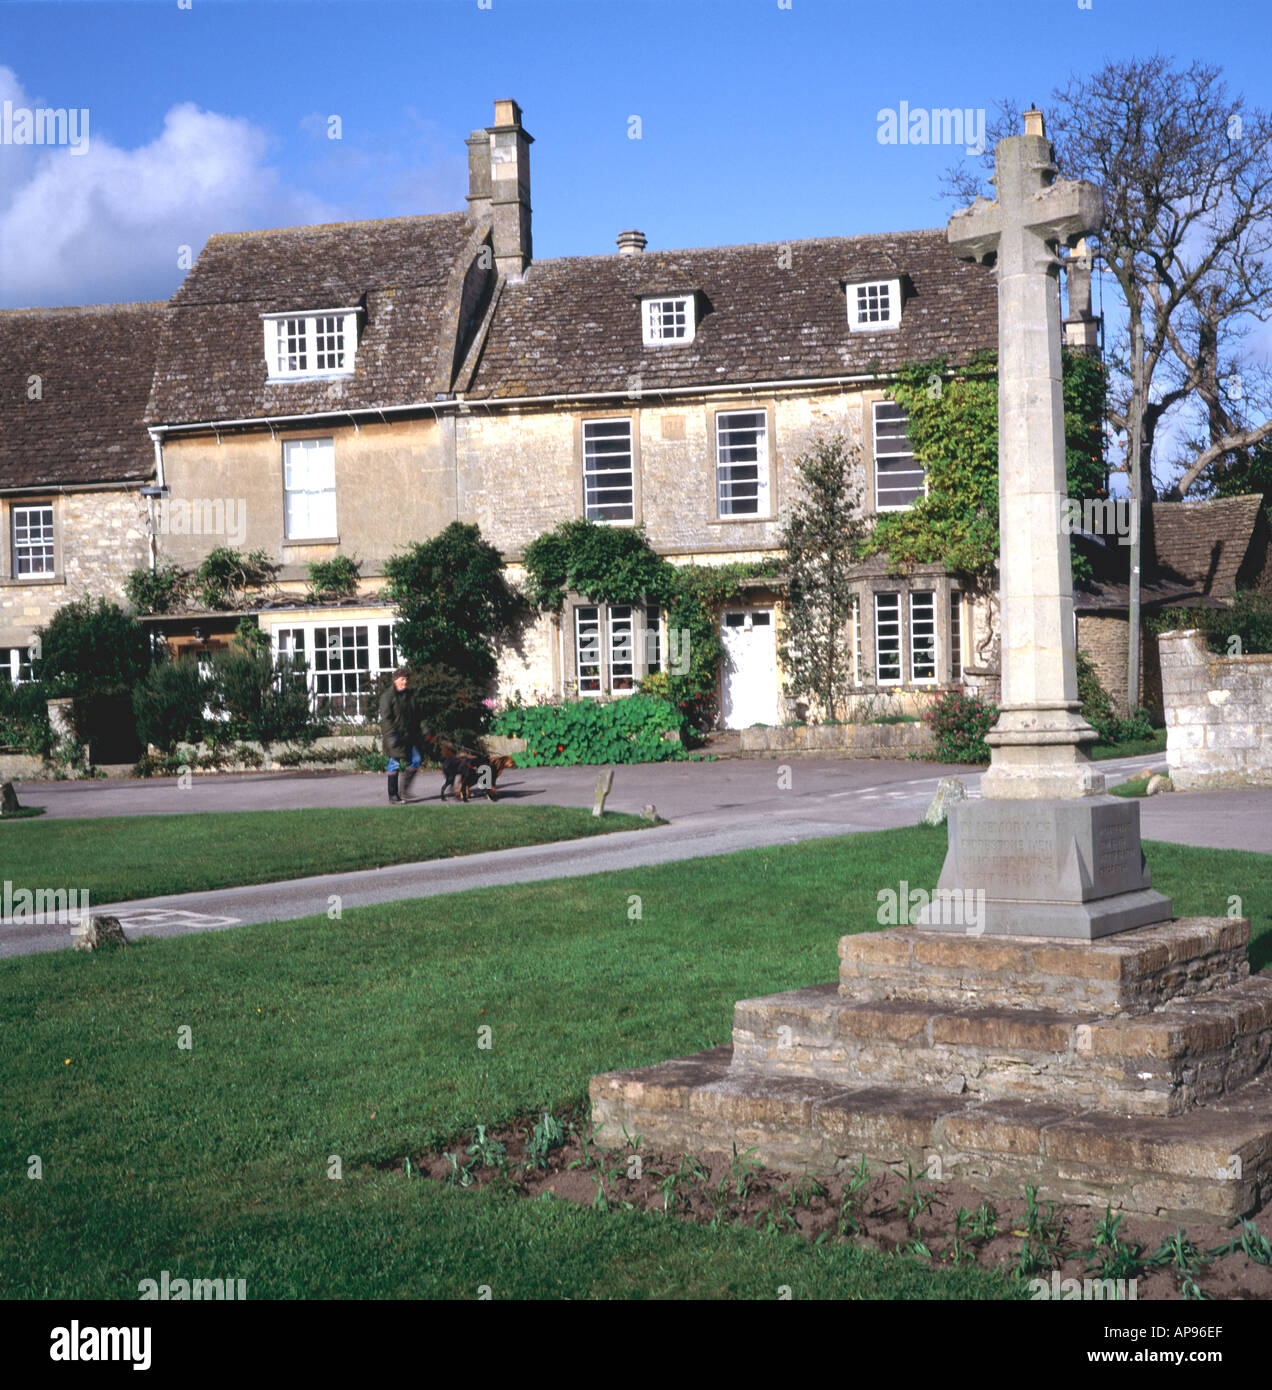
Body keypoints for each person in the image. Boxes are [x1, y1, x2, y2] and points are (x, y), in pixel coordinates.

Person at [379, 667, 424, 803]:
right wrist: (391, 735)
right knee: (394, 764)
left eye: (406, 679)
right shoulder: (387, 697)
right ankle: (393, 796)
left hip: (408, 737)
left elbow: (419, 716)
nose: (405, 682)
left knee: (416, 760)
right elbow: (386, 719)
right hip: (394, 737)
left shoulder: (410, 696)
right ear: (395, 680)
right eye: (402, 679)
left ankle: (404, 791)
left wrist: (425, 729)